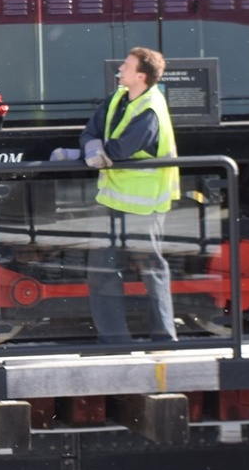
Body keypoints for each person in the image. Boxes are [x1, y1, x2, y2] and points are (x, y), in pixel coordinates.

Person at [72, 46, 181, 344]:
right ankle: (114, 341)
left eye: (126, 65)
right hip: (110, 200)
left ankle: (164, 339)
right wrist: (90, 147)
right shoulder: (118, 99)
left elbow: (120, 151)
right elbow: (90, 132)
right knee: (100, 270)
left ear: (141, 76)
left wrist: (92, 150)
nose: (120, 68)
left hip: (144, 206)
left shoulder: (150, 110)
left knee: (151, 270)